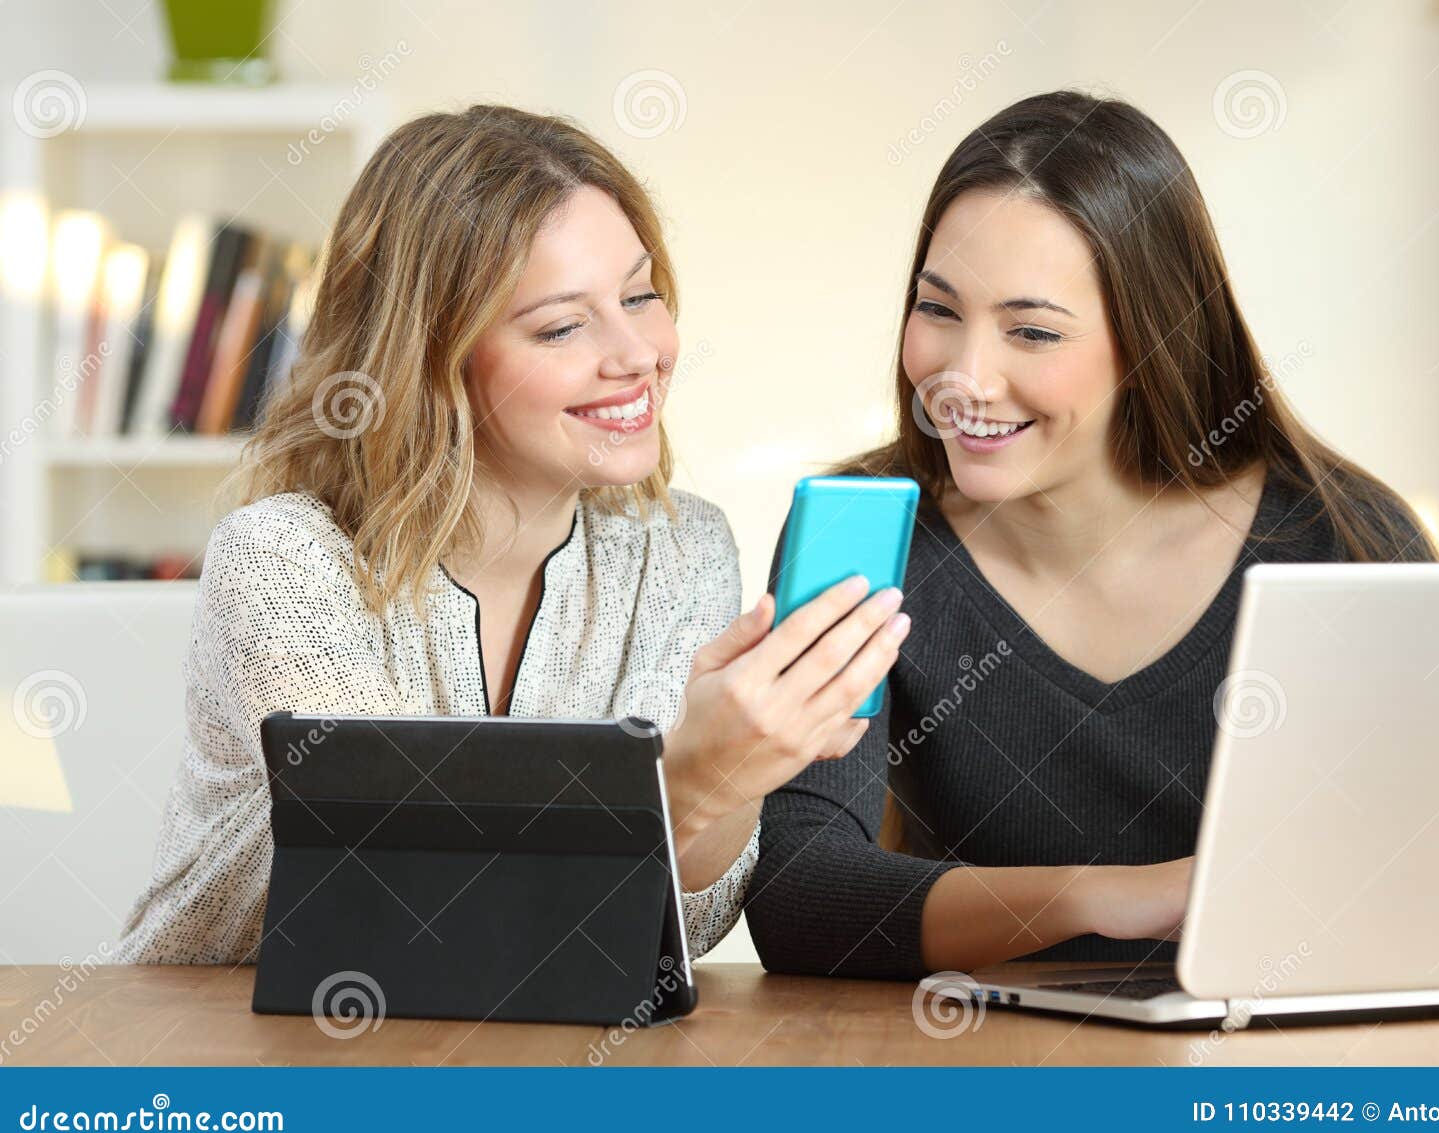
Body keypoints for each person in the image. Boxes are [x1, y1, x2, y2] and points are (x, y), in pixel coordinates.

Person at [113, 105, 908, 965]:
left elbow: (692, 917)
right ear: (429, 358)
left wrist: (729, 782)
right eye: (563, 326)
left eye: (640, 295)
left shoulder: (682, 549)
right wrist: (676, 782)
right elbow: (400, 890)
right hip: (226, 1044)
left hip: (526, 1042)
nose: (638, 352)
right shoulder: (283, 561)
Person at [746, 90, 1438, 979]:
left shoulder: (1343, 538)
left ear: (1153, 338)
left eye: (1032, 331)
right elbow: (801, 895)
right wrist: (1110, 897)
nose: (964, 377)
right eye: (940, 309)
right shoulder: (863, 533)